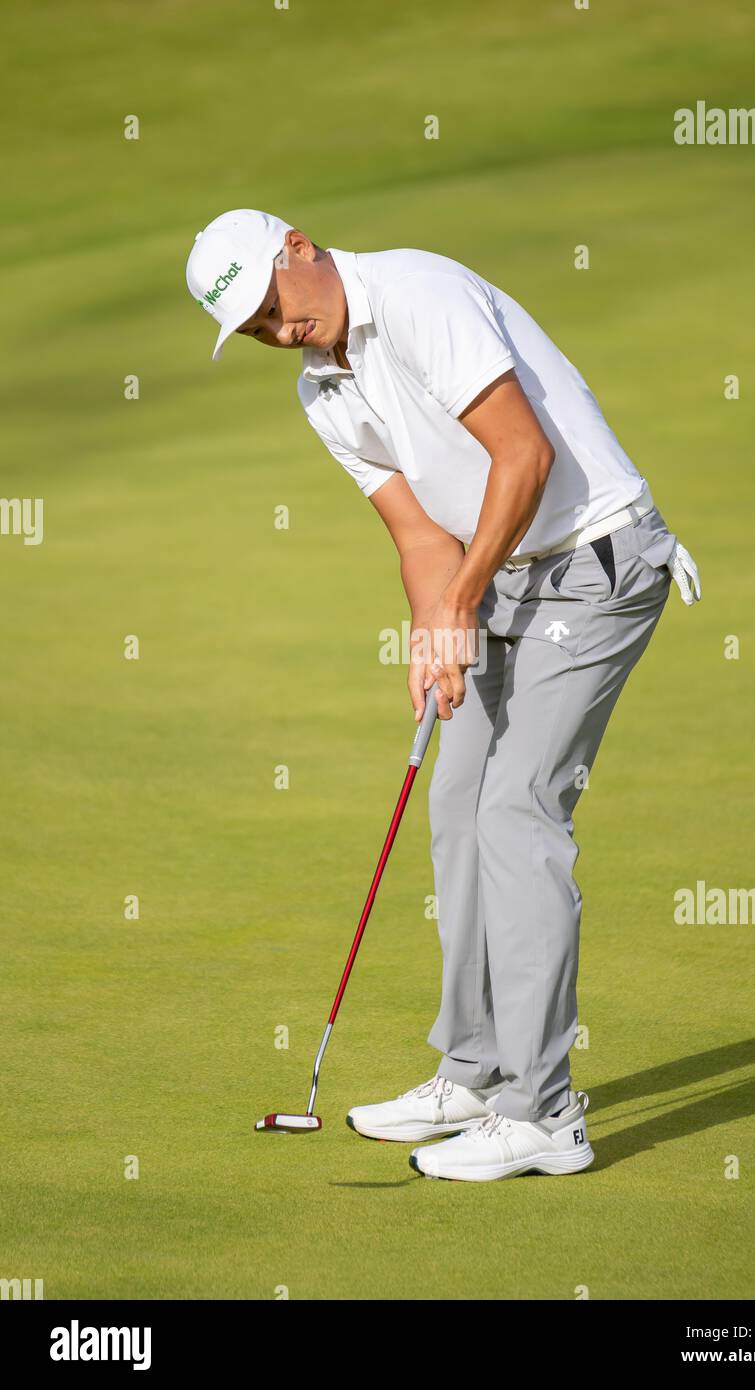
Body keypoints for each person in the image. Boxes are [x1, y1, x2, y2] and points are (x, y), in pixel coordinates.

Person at [186, 208, 701, 1182]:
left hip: (595, 561)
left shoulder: (417, 293)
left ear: (298, 246)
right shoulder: (322, 394)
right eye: (251, 328)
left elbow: (524, 456)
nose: (276, 332)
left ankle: (543, 1113)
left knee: (515, 811)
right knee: (456, 805)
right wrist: (435, 633)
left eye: (272, 306)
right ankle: (472, 1070)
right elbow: (421, 538)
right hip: (499, 573)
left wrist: (460, 599)